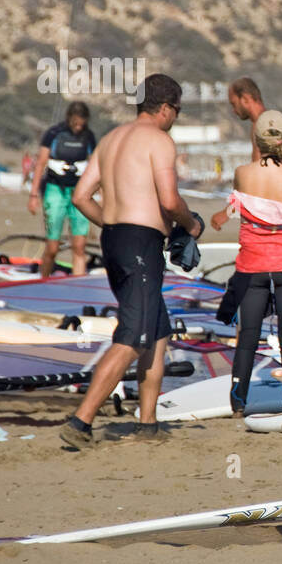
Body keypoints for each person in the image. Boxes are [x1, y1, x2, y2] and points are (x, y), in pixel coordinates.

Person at [60, 75, 202, 450]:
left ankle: (148, 423)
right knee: (134, 335)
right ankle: (81, 421)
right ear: (166, 107)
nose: (176, 118)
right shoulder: (160, 141)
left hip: (115, 239)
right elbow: (170, 201)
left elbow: (80, 196)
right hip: (141, 242)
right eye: (178, 110)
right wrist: (191, 225)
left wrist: (113, 221)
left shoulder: (109, 139)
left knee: (156, 331)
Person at [212, 112, 282, 417]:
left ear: (257, 140)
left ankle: (238, 403)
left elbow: (238, 208)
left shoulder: (242, 173)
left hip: (252, 266)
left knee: (248, 334)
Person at [211, 77, 282, 231]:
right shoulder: (273, 125)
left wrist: (228, 212)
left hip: (268, 219)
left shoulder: (262, 130)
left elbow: (258, 178)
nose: (233, 110)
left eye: (234, 104)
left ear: (246, 99)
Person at [28, 101, 96, 277]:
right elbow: (41, 163)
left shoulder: (88, 137)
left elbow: (95, 166)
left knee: (79, 247)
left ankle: (78, 285)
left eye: (82, 123)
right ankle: (44, 280)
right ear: (69, 119)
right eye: (76, 123)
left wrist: (99, 195)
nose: (79, 127)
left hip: (79, 193)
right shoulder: (54, 134)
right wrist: (33, 195)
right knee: (52, 247)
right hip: (55, 191)